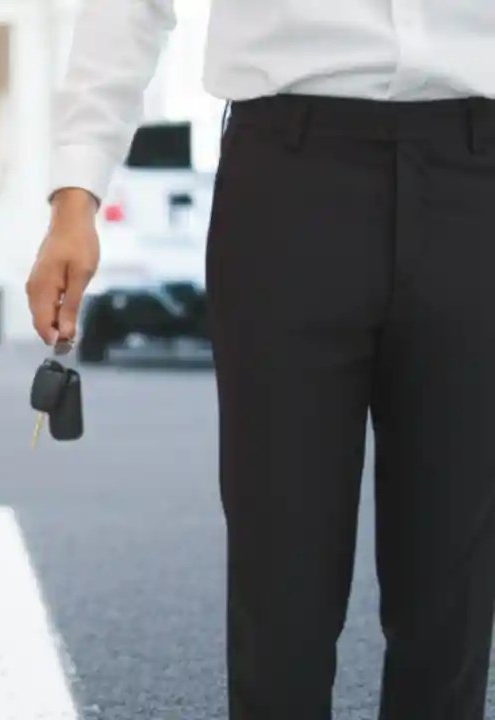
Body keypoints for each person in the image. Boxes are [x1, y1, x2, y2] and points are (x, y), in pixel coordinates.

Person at [25, 1, 495, 718]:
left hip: (479, 179)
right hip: (289, 178)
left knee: (453, 585)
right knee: (282, 579)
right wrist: (75, 196)